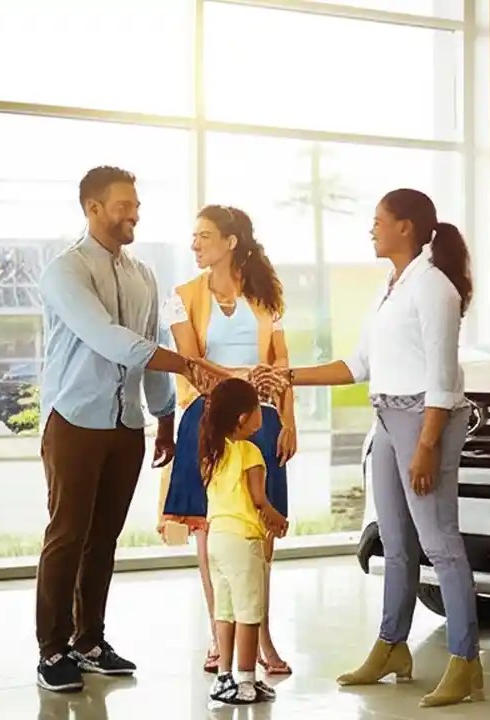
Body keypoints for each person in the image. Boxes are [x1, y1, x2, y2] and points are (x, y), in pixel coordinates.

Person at [257, 188, 479, 708]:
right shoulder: (391, 288)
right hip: (386, 419)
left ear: (406, 227)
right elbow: (356, 366)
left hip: (426, 421)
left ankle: (466, 660)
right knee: (396, 545)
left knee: (441, 543)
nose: (372, 228)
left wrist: (425, 446)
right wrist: (286, 376)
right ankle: (391, 646)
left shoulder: (435, 289)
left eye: (379, 220)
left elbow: (444, 382)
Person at [36, 166, 222, 693]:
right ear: (93, 208)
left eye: (136, 205)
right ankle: (52, 650)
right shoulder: (64, 271)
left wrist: (163, 416)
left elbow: (146, 344)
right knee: (67, 535)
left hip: (125, 423)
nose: (133, 214)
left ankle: (88, 641)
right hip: (74, 417)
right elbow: (111, 339)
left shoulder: (143, 274)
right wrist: (188, 366)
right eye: (123, 205)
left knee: (104, 538)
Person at [158, 205, 295, 676]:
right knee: (213, 530)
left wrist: (289, 420)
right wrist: (240, 383)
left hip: (264, 419)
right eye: (193, 236)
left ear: (231, 241)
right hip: (209, 419)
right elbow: (191, 363)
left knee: (259, 528)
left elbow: (281, 365)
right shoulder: (181, 297)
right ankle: (221, 641)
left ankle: (261, 636)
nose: (195, 243)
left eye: (205, 235)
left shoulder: (267, 296)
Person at [199, 378, 289, 706]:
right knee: (249, 612)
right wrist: (278, 520)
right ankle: (248, 681)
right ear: (242, 418)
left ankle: (224, 679)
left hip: (217, 540)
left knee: (225, 610)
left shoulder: (213, 450)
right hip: (242, 540)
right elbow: (258, 500)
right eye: (257, 408)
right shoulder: (250, 451)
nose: (261, 413)